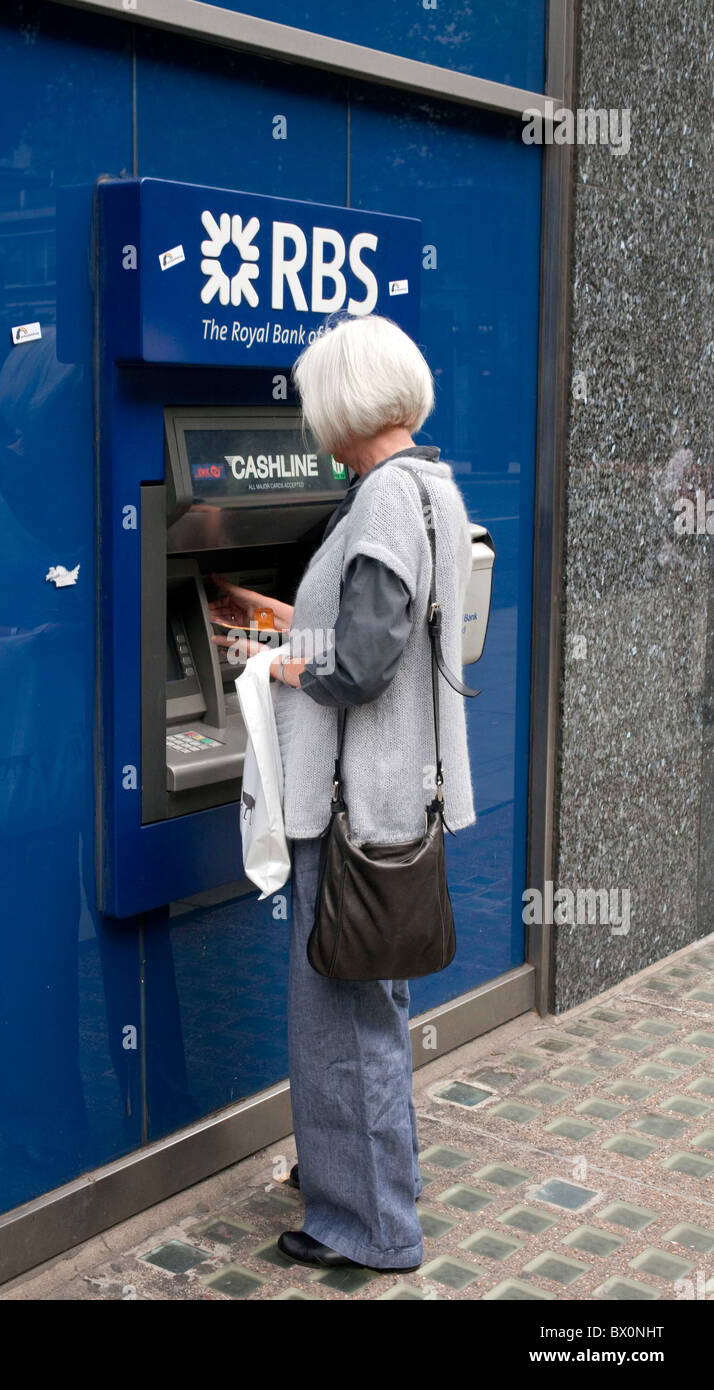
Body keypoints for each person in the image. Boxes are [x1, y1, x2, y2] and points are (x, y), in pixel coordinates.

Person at [210, 312, 476, 1271]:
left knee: (338, 1015)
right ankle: (370, 1185)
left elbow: (360, 662)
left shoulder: (381, 502)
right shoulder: (433, 486)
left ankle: (365, 1230)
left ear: (342, 403)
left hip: (355, 807)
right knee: (372, 1010)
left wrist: (275, 658)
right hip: (399, 803)